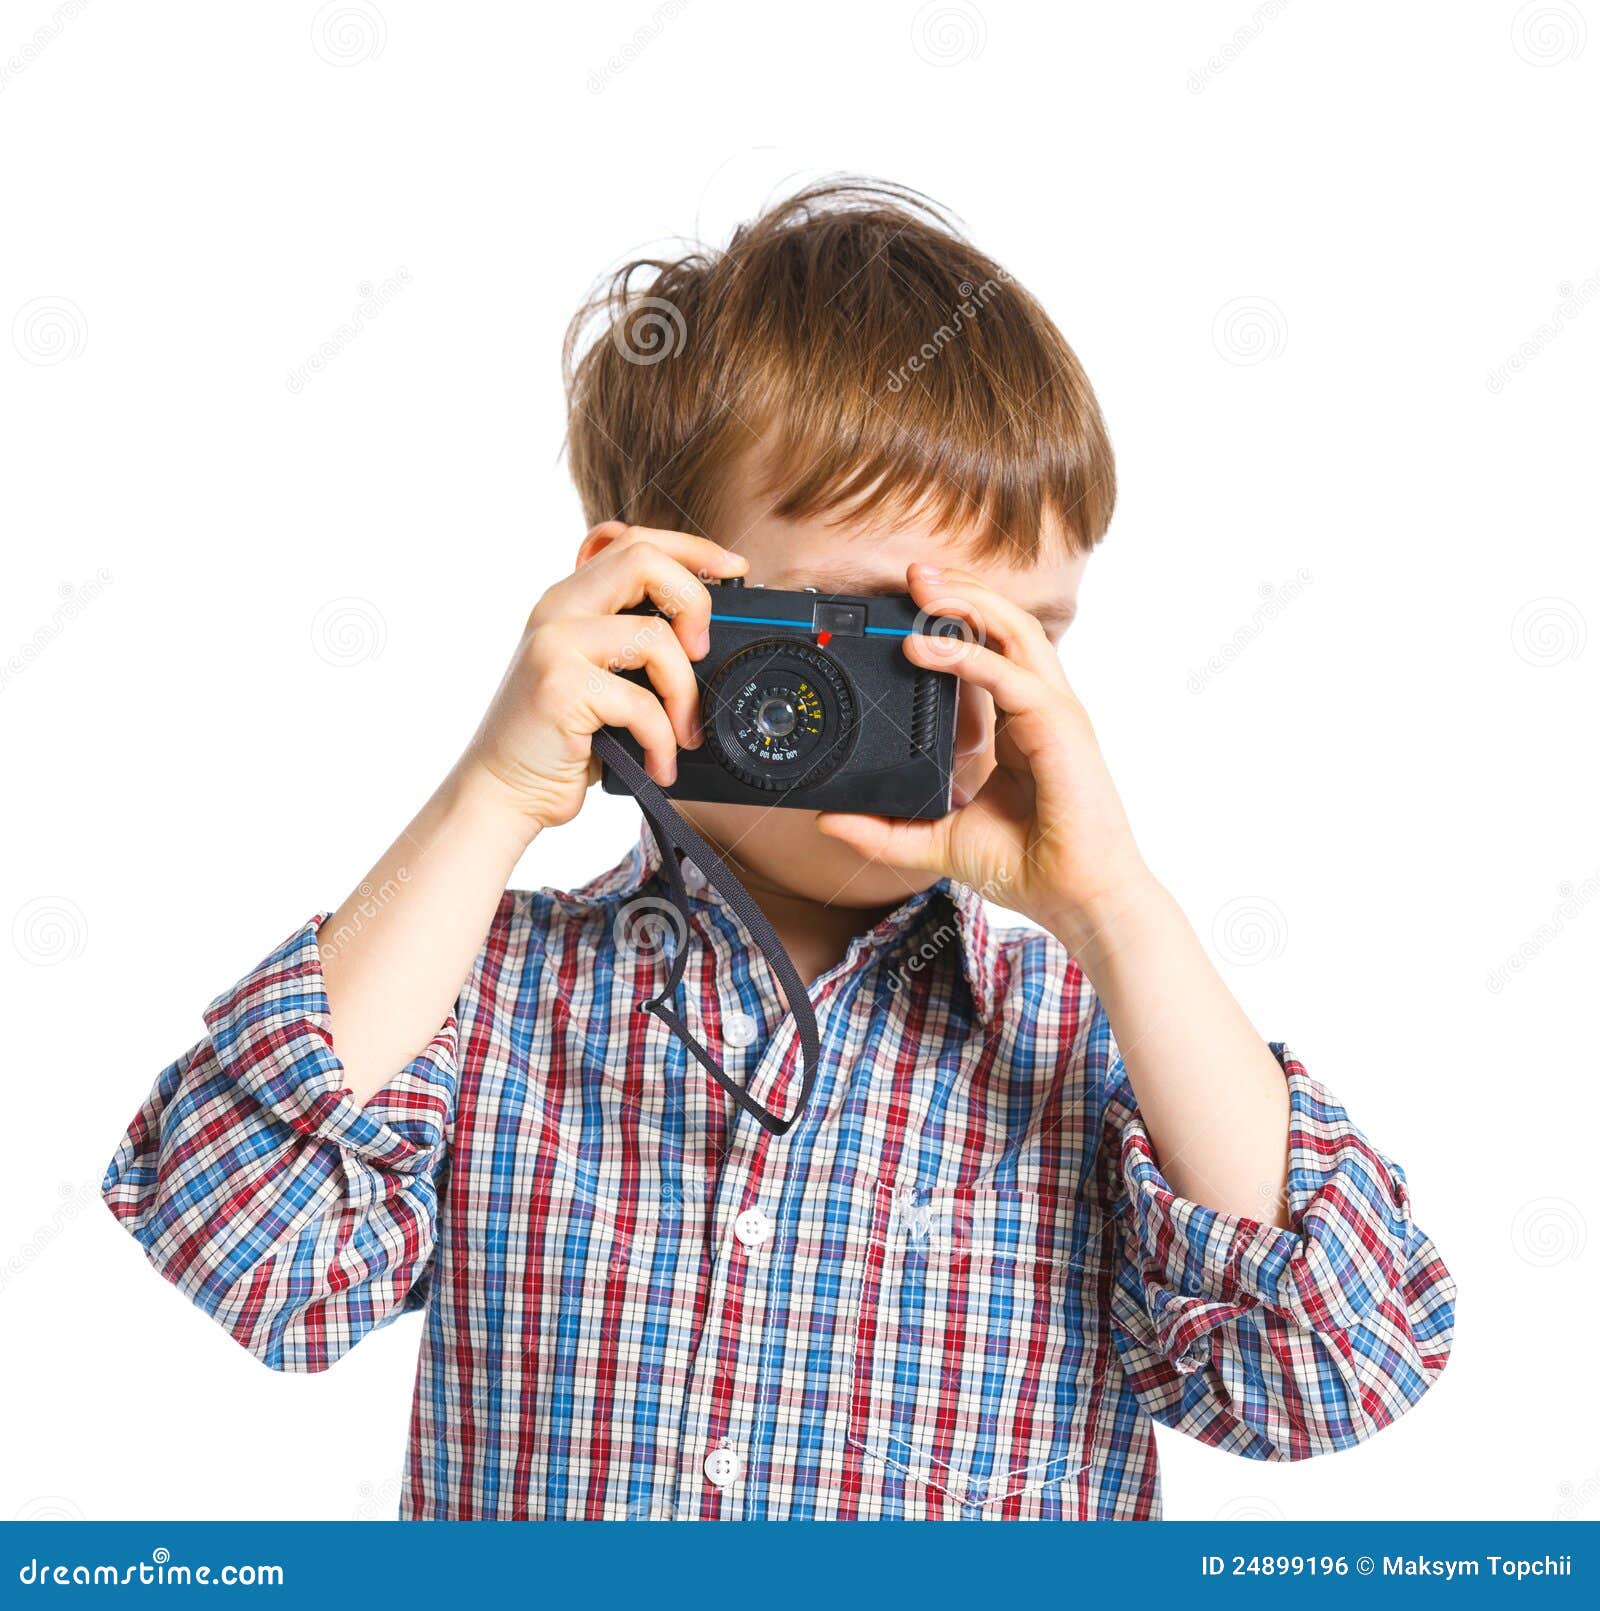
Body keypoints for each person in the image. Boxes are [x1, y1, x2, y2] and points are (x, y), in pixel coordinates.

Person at [102, 180, 1454, 1520]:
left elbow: (1338, 1365)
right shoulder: (483, 996)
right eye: (886, 630)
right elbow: (245, 1244)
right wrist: (497, 790)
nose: (961, 714)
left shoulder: (1095, 1048)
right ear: (643, 594)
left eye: (1018, 640)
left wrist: (1117, 908)